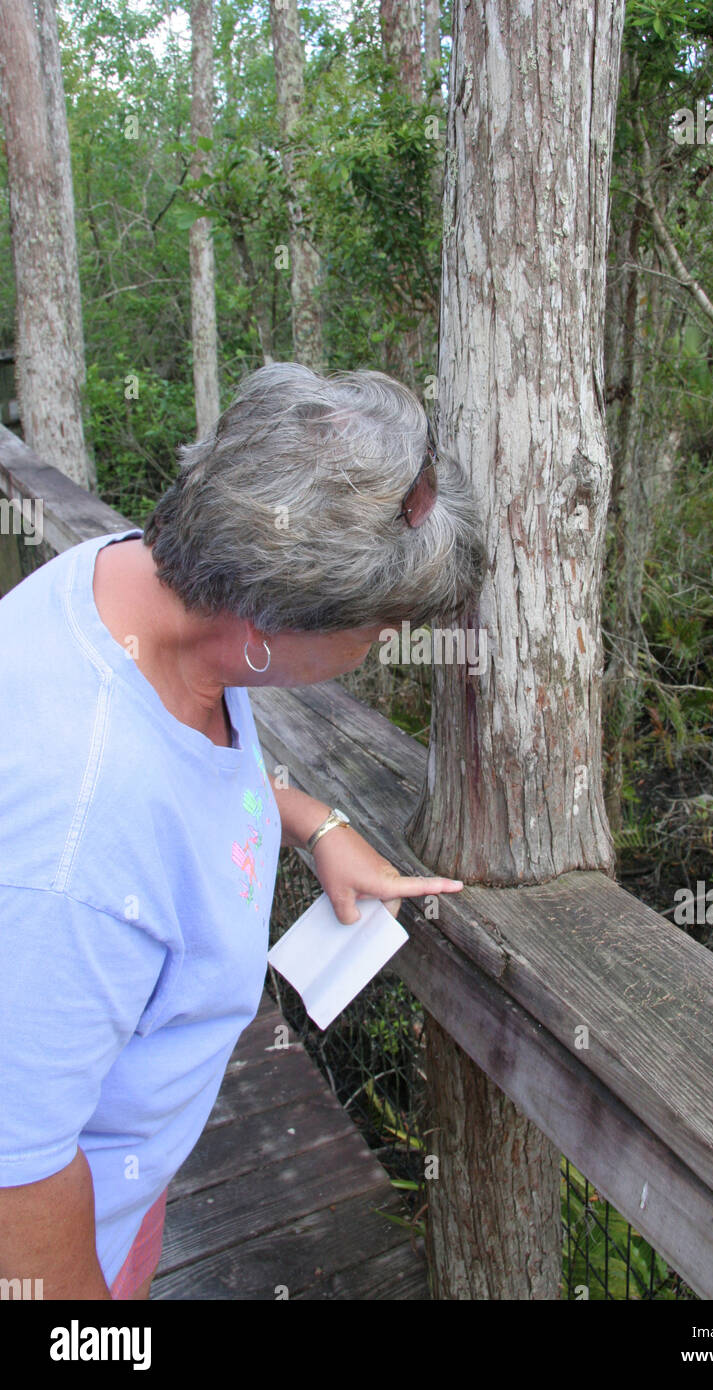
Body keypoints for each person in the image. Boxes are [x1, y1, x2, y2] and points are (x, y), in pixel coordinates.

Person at [0, 362, 486, 1300]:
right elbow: (16, 1172)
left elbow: (176, 769)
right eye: (381, 624)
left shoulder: (125, 583)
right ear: (270, 620)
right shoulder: (71, 848)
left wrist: (308, 821)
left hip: (122, 1181)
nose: (387, 641)